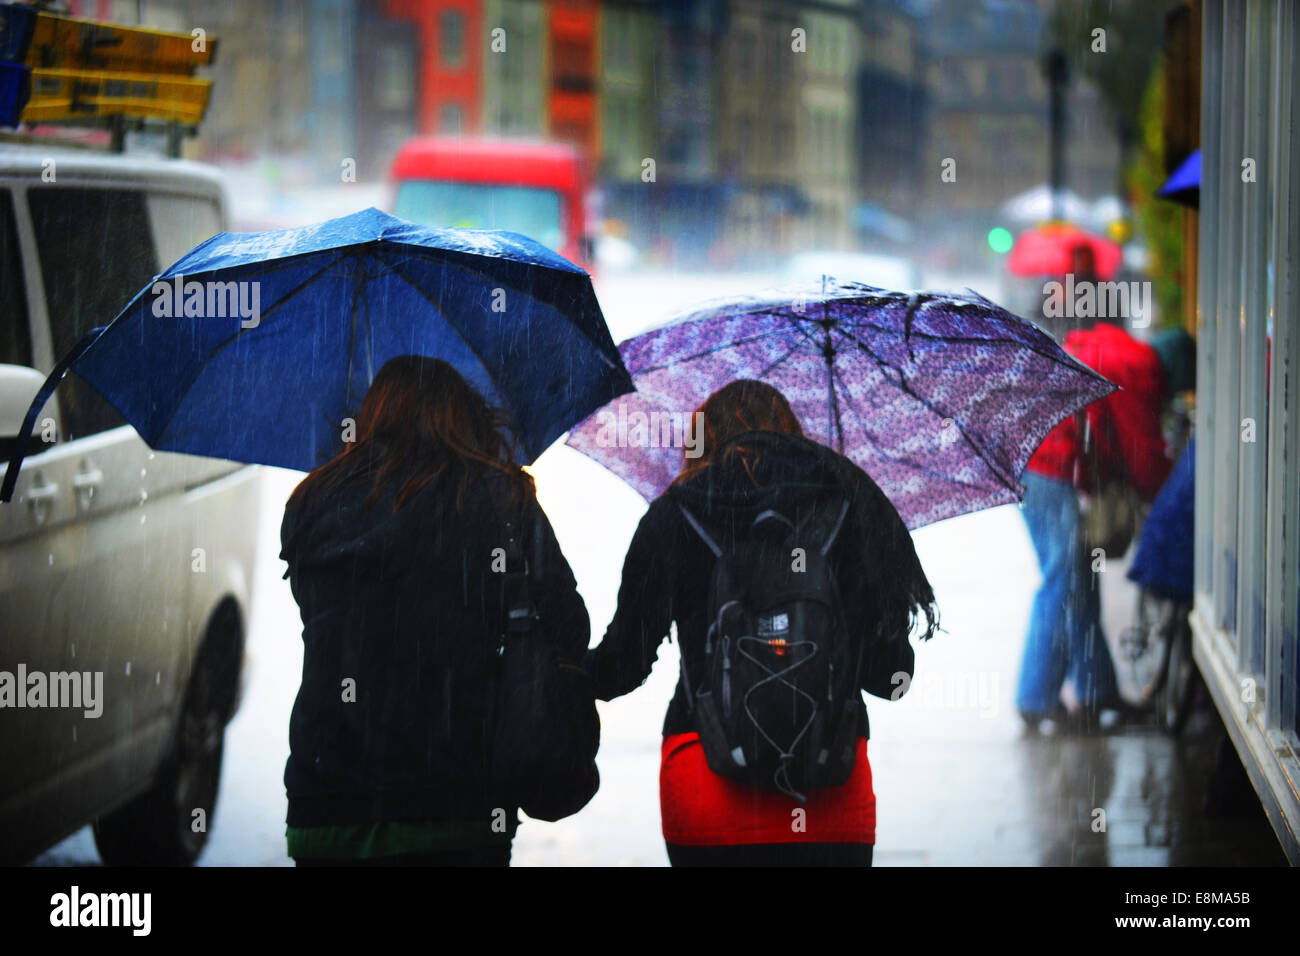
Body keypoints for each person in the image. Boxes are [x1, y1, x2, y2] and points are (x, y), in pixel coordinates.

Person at [584, 380, 938, 866]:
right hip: (829, 789)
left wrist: (550, 664)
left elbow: (619, 671)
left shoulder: (674, 514)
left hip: (707, 785)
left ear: (701, 441)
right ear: (792, 433)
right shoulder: (850, 503)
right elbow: (892, 677)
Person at [279, 355, 589, 866]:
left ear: (372, 414)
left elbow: (319, 613)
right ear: (462, 415)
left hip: (325, 801)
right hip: (458, 804)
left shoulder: (312, 501)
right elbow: (568, 625)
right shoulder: (500, 496)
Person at [1017, 281, 1172, 733]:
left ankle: (1096, 693)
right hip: (1049, 468)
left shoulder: (1117, 351)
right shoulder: (1139, 368)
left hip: (1045, 463)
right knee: (1064, 579)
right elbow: (1143, 451)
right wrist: (1169, 497)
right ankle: (1035, 699)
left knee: (1079, 581)